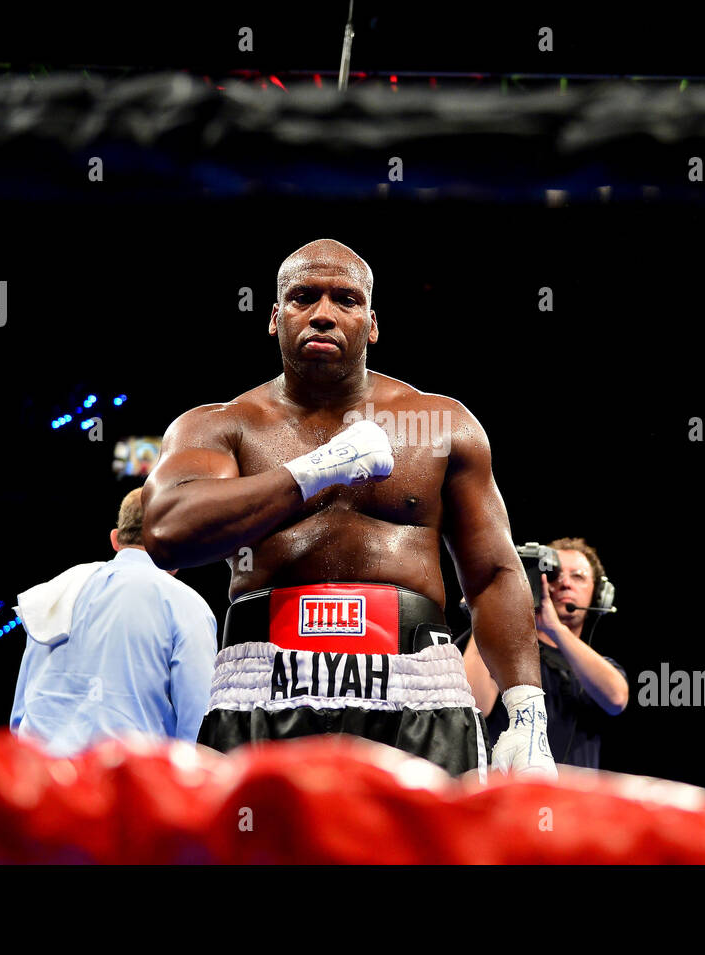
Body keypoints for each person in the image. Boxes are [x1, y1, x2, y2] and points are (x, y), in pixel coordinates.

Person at [142, 238, 555, 780]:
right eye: (303, 298)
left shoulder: (440, 423)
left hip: (418, 687)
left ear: (373, 323)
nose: (322, 315)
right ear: (274, 317)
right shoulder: (220, 424)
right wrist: (313, 472)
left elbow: (493, 573)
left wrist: (527, 713)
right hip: (262, 684)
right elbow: (168, 531)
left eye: (346, 300)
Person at [10, 488, 217, 756]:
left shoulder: (56, 590)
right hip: (127, 782)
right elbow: (196, 725)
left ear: (115, 540)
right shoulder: (186, 604)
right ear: (177, 544)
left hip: (44, 780)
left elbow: (20, 717)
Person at [460, 538, 629, 768]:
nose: (565, 583)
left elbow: (616, 698)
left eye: (578, 576)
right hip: (508, 798)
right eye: (554, 574)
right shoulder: (506, 653)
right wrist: (487, 612)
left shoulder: (602, 667)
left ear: (599, 595)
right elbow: (473, 706)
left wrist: (553, 627)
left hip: (572, 802)